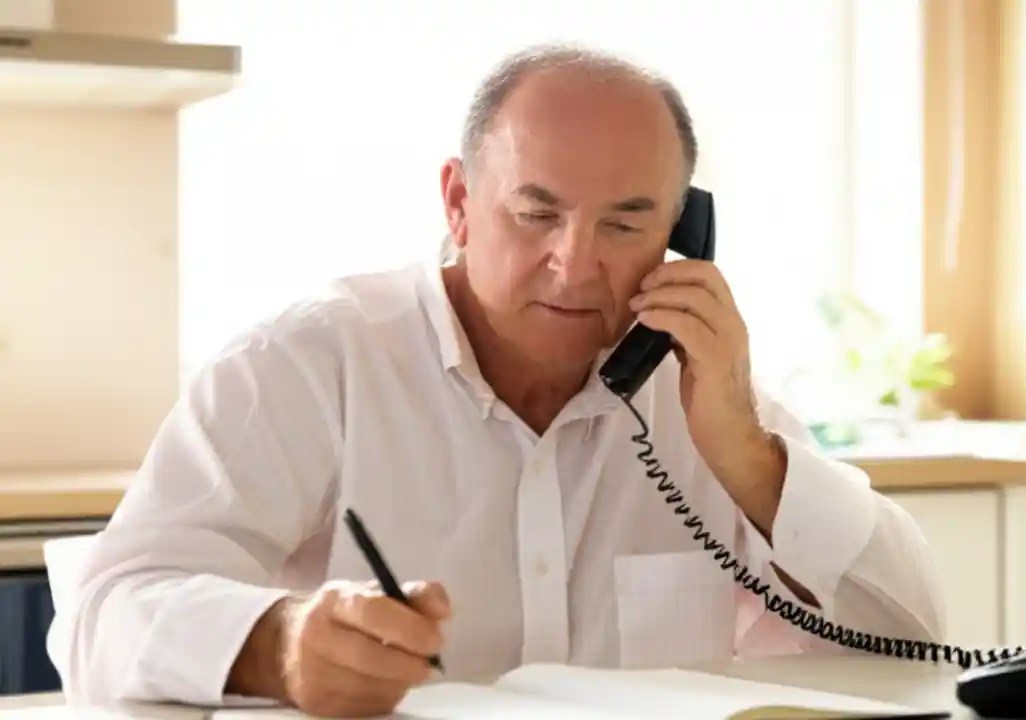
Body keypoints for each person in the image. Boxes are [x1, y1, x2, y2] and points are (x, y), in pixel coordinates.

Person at [48, 43, 945, 717]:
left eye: (627, 224)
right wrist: (274, 645)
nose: (575, 265)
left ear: (683, 231)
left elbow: (915, 639)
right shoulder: (307, 366)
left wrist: (749, 455)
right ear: (458, 203)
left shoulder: (695, 385)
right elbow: (103, 614)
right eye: (537, 213)